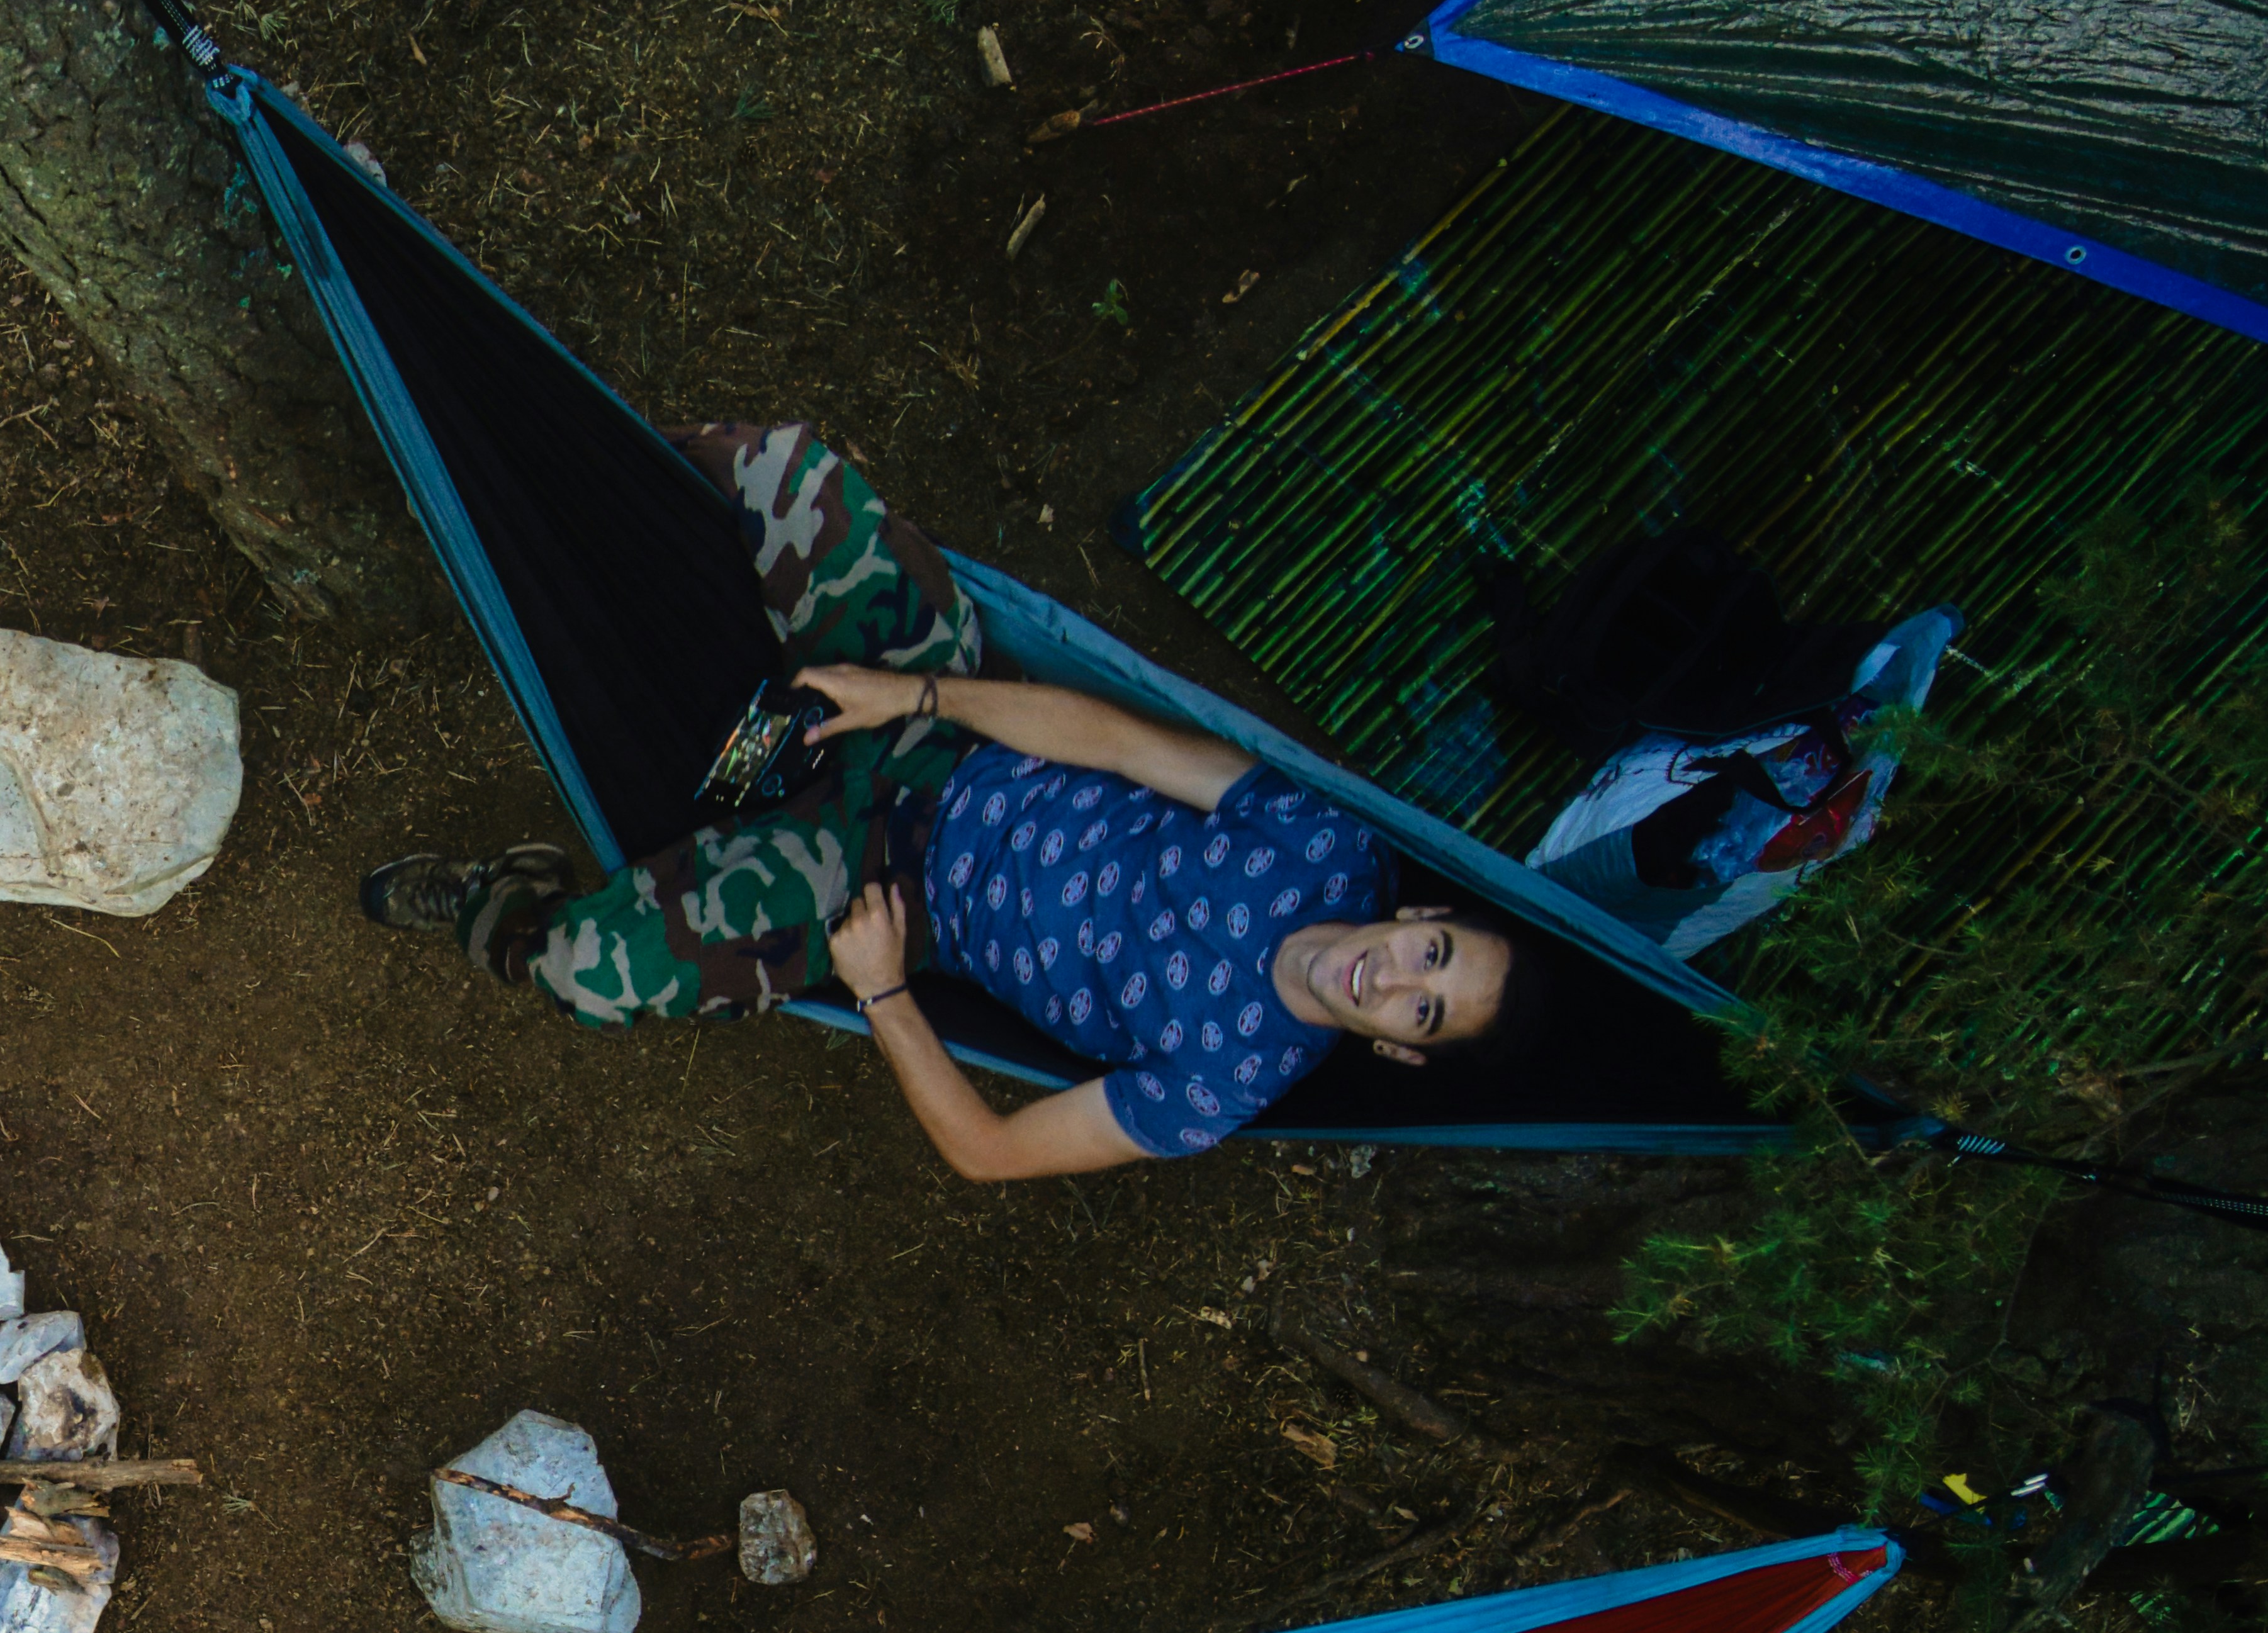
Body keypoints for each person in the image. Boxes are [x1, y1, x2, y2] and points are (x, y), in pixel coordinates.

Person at [356, 422, 1529, 1174]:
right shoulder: (1326, 851)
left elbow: (990, 1150)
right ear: (1419, 914)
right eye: (1431, 952)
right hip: (958, 726)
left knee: (584, 972)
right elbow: (1120, 740)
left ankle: (501, 901)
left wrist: (882, 991)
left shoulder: (1224, 1082)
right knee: (777, 471)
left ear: (1402, 1054)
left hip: (882, 884)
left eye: (1423, 1010)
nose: (1394, 977)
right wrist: (911, 693)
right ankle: (496, 478)